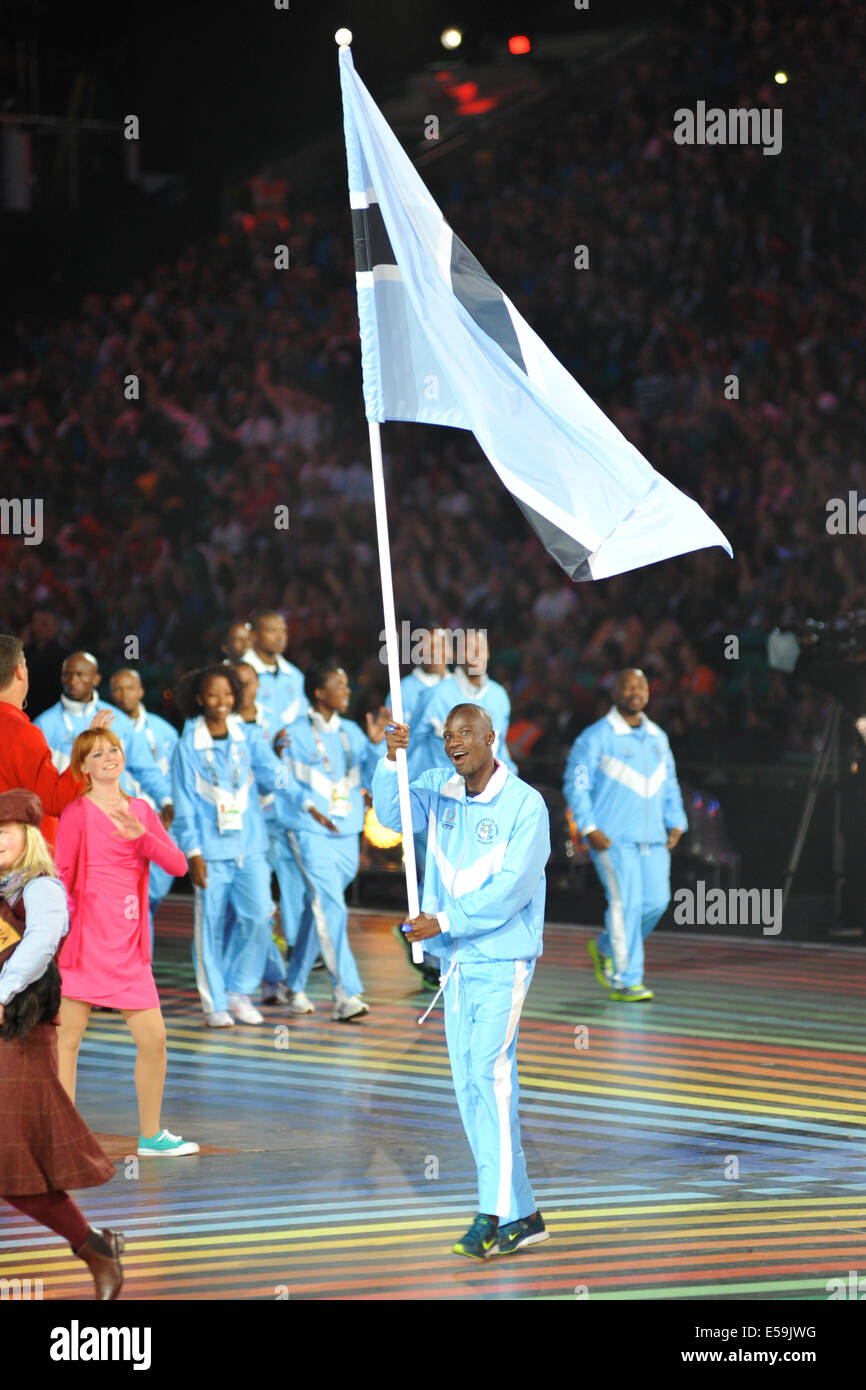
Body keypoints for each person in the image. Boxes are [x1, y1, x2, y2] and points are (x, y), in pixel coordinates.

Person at [373, 705, 551, 1259]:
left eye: (467, 733)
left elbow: (511, 890)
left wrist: (444, 921)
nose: (456, 742)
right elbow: (389, 813)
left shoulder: (526, 804)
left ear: (492, 738)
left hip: (502, 960)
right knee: (472, 1087)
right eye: (448, 735)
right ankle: (523, 1214)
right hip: (455, 965)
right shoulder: (437, 787)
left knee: (488, 1078)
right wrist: (390, 759)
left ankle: (491, 1214)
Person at [0, 788, 125, 1299]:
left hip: (19, 1035)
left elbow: (41, 943)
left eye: (3, 832)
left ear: (26, 835)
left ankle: (93, 1246)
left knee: (15, 1168)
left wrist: (1, 993)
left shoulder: (40, 887)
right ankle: (94, 1244)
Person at [54, 727, 198, 1157]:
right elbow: (62, 875)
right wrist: (59, 936)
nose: (109, 758)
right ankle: (63, 1137)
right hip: (82, 945)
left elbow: (176, 866)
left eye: (113, 750)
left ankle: (151, 1135)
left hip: (129, 946)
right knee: (67, 1041)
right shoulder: (76, 812)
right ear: (83, 767)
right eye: (97, 754)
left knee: (154, 1040)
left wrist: (141, 834)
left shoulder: (141, 809)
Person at [171, 665, 303, 1027]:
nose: (221, 702)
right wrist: (193, 853)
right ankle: (214, 1002)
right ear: (199, 698)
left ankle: (238, 989)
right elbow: (183, 807)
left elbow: (273, 771)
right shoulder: (187, 747)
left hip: (251, 848)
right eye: (213, 695)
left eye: (228, 694)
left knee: (259, 916)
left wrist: (306, 800)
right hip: (211, 854)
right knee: (210, 927)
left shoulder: (247, 736)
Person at [563, 668, 687, 1002]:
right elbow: (577, 784)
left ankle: (605, 946)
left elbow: (670, 783)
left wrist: (676, 821)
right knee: (626, 904)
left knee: (657, 902)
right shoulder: (596, 736)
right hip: (613, 839)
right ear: (615, 693)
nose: (635, 691)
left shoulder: (657, 737)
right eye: (627, 686)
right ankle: (626, 978)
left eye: (641, 686)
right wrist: (589, 828)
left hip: (654, 838)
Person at [276, 660, 390, 1021]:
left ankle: (291, 986)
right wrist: (307, 807)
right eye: (339, 685)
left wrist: (376, 746)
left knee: (321, 909)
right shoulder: (292, 733)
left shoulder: (353, 733)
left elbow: (372, 775)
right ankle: (346, 995)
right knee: (332, 906)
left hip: (347, 830)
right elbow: (280, 779)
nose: (347, 691)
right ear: (319, 692)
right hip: (309, 830)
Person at [0, 633, 111, 850]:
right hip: (18, 867)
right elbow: (55, 800)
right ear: (19, 671)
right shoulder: (22, 733)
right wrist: (89, 751)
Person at [35, 651, 173, 822]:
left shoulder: (116, 719)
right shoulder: (43, 725)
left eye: (80, 675)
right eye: (67, 675)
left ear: (96, 679)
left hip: (116, 820)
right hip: (70, 820)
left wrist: (165, 800)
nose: (72, 681)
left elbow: (144, 768)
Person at [109, 668, 180, 942]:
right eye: (117, 689)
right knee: (132, 895)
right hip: (121, 823)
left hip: (159, 822)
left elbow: (174, 776)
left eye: (129, 688)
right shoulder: (102, 730)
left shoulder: (165, 732)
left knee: (155, 891)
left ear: (140, 691)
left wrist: (169, 805)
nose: (123, 694)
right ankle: (138, 962)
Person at [412, 631, 516, 776]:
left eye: (481, 648)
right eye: (468, 649)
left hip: (488, 791)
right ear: (455, 656)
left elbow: (500, 747)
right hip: (442, 793)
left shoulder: (499, 695)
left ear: (488, 654)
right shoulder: (434, 695)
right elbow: (410, 746)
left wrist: (512, 779)